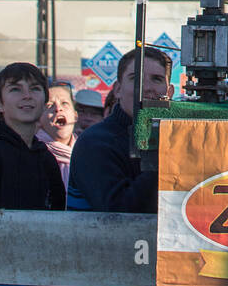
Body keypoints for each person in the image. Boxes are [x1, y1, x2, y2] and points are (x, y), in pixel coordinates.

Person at [67, 46, 173, 213]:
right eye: (135, 78)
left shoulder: (174, 138)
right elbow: (117, 210)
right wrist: (165, 159)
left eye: (157, 79)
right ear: (117, 89)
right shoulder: (94, 142)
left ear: (170, 92)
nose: (146, 87)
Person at [0, 62, 66, 209]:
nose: (27, 96)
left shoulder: (47, 158)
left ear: (44, 103)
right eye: (15, 89)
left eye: (35, 88)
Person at [37, 82, 79, 190]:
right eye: (49, 105)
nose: (58, 108)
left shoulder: (88, 152)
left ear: (75, 116)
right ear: (39, 118)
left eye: (64, 103)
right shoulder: (32, 153)